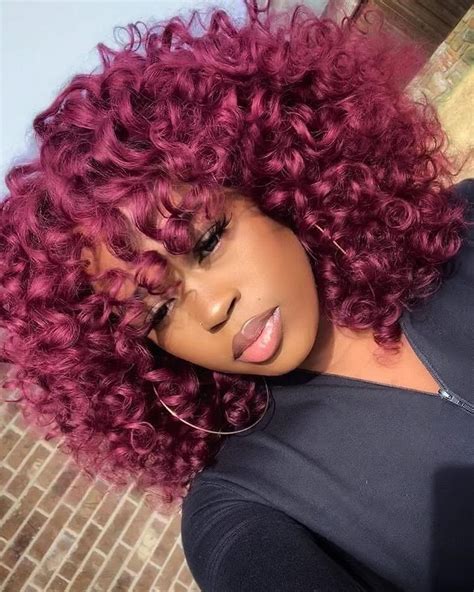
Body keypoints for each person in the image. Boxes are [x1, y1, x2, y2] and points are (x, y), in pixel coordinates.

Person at [1, 1, 473, 590]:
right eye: (158, 310)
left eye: (207, 242)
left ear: (272, 183)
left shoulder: (466, 226)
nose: (211, 309)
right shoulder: (245, 507)